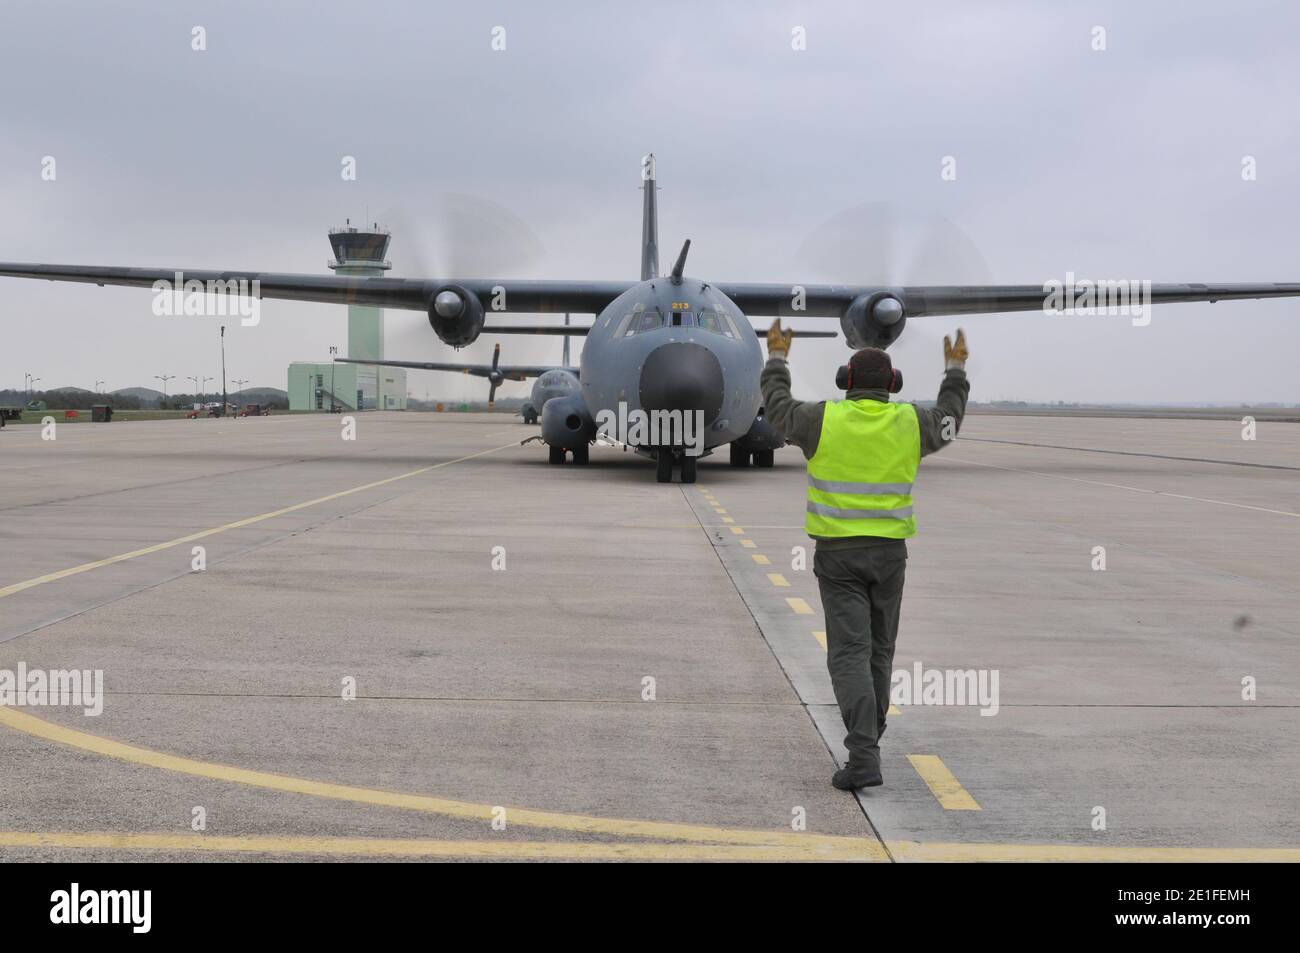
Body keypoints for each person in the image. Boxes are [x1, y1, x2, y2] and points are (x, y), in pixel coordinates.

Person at [761, 320, 970, 790]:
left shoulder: (823, 419)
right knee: (879, 651)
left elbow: (776, 409)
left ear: (845, 381)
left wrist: (777, 360)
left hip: (838, 557)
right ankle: (870, 736)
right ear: (892, 385)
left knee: (849, 654)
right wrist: (954, 370)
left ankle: (863, 755)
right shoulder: (910, 422)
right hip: (890, 555)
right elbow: (949, 420)